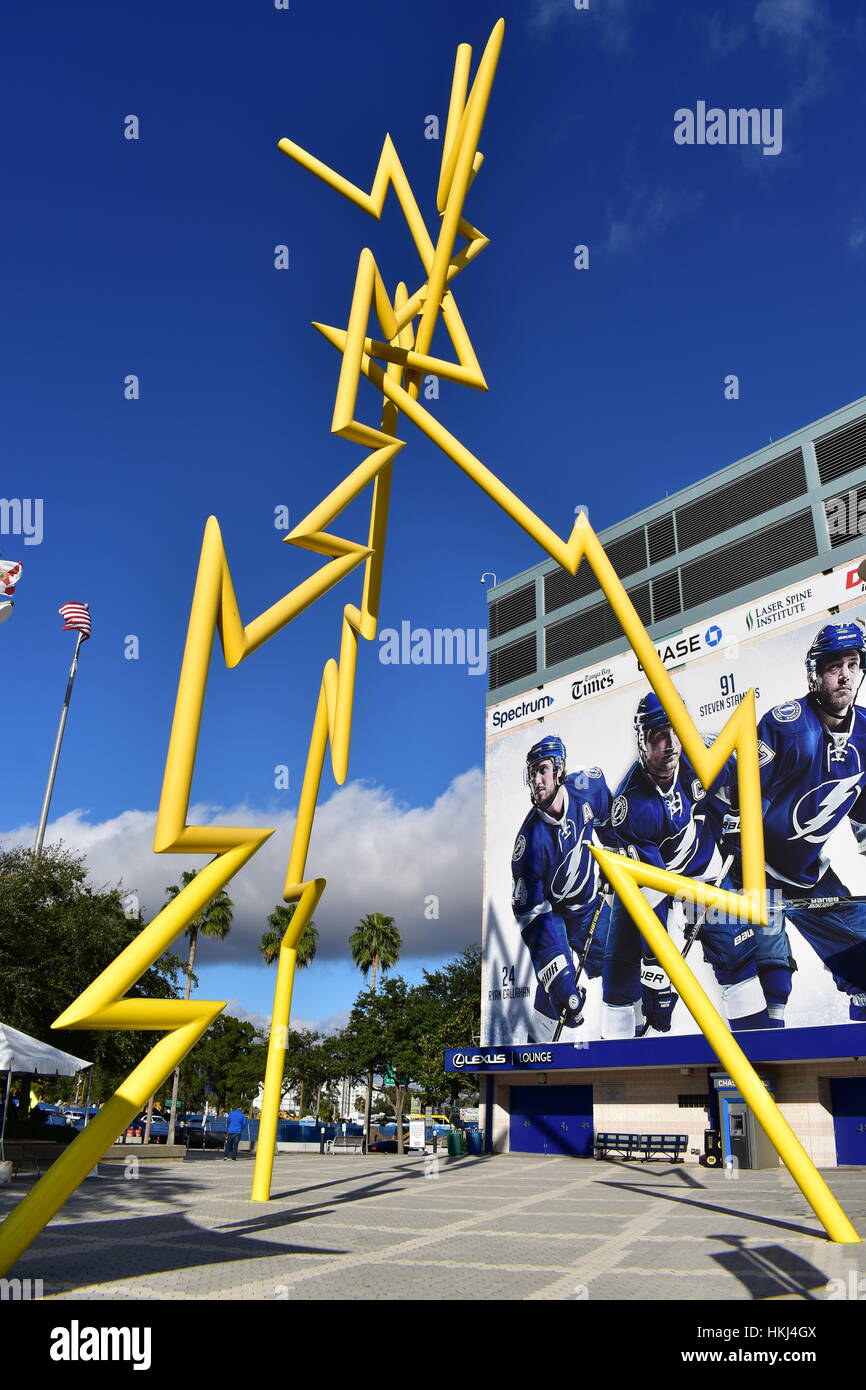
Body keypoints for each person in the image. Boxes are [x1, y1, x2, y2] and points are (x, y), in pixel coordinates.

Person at [601, 692, 770, 1039]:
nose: (671, 743)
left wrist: (738, 819)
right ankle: (623, 1055)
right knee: (623, 971)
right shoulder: (630, 806)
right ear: (641, 741)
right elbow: (653, 892)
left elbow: (747, 779)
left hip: (705, 871)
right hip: (648, 886)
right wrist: (657, 968)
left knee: (737, 959)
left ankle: (759, 1051)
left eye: (676, 730)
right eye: (659, 735)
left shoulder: (702, 753)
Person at [723, 621, 866, 1024]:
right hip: (756, 869)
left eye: (853, 664)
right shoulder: (787, 725)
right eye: (833, 665)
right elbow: (739, 790)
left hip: (808, 872)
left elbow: (863, 809)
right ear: (814, 674)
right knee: (772, 982)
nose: (844, 675)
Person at [510, 734, 613, 1042]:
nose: (537, 780)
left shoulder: (588, 787)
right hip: (551, 913)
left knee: (621, 957)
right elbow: (533, 917)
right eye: (532, 773)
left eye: (542, 770)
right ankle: (539, 1048)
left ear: (559, 769)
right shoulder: (528, 844)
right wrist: (559, 978)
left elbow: (612, 826)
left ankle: (629, 1035)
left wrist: (614, 863)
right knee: (558, 983)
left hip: (588, 903)